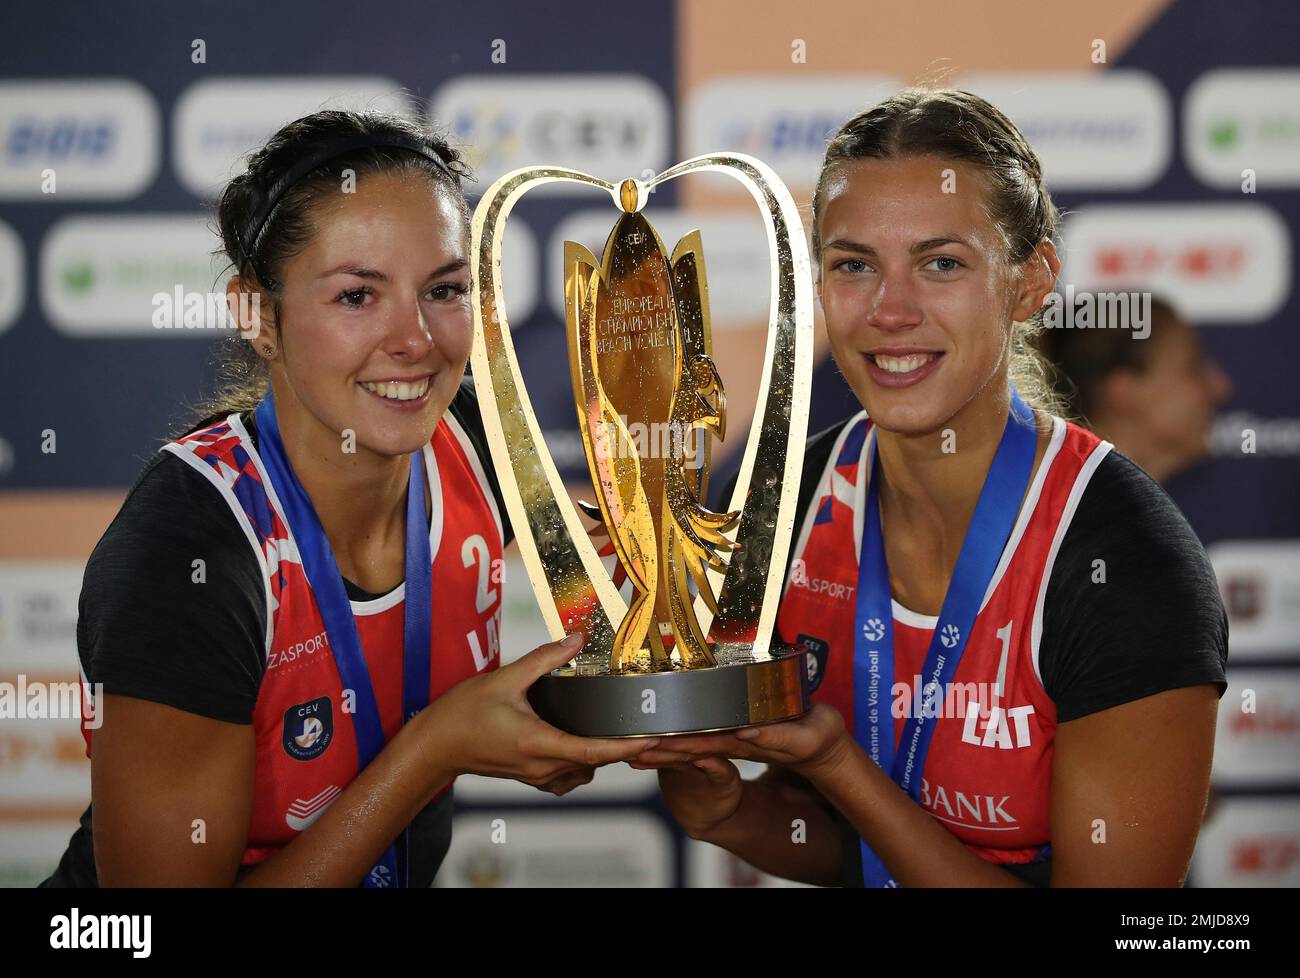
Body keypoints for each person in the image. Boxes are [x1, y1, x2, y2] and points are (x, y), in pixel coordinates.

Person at [41, 110, 656, 888]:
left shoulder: (477, 436)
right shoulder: (186, 555)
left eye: (444, 289)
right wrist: (436, 748)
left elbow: (615, 574)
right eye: (358, 297)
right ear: (259, 315)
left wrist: (599, 684)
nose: (415, 340)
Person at [633, 89, 1228, 887]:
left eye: (941, 263)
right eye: (854, 266)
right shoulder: (791, 496)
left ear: (1032, 280)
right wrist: (730, 813)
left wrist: (843, 766)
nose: (890, 310)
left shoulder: (1125, 563)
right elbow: (848, 850)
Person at [1036, 294, 1232, 484]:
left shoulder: (1070, 504)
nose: (1221, 387)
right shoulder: (1065, 512)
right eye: (1193, 368)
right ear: (1123, 390)